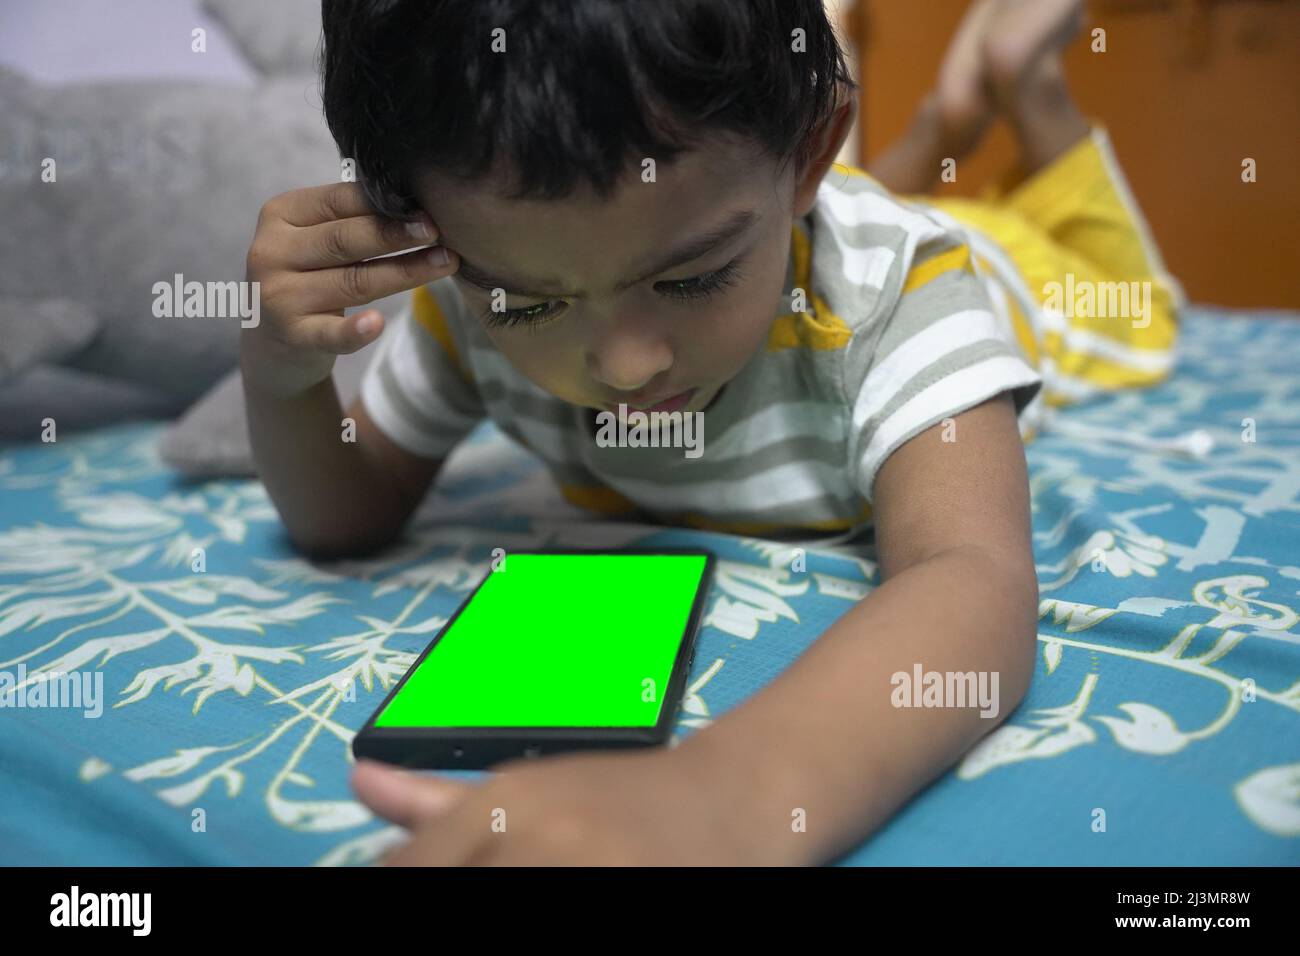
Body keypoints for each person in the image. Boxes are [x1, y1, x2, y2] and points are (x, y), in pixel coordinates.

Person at [240, 0, 1177, 864]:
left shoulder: (905, 292)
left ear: (809, 154)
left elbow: (971, 576)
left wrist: (722, 798)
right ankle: (938, 126)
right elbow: (345, 516)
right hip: (798, 212)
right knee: (780, 226)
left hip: (1032, 280)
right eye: (528, 305)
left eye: (688, 280)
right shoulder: (465, 303)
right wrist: (284, 378)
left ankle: (1028, 90)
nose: (626, 364)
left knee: (1122, 282)